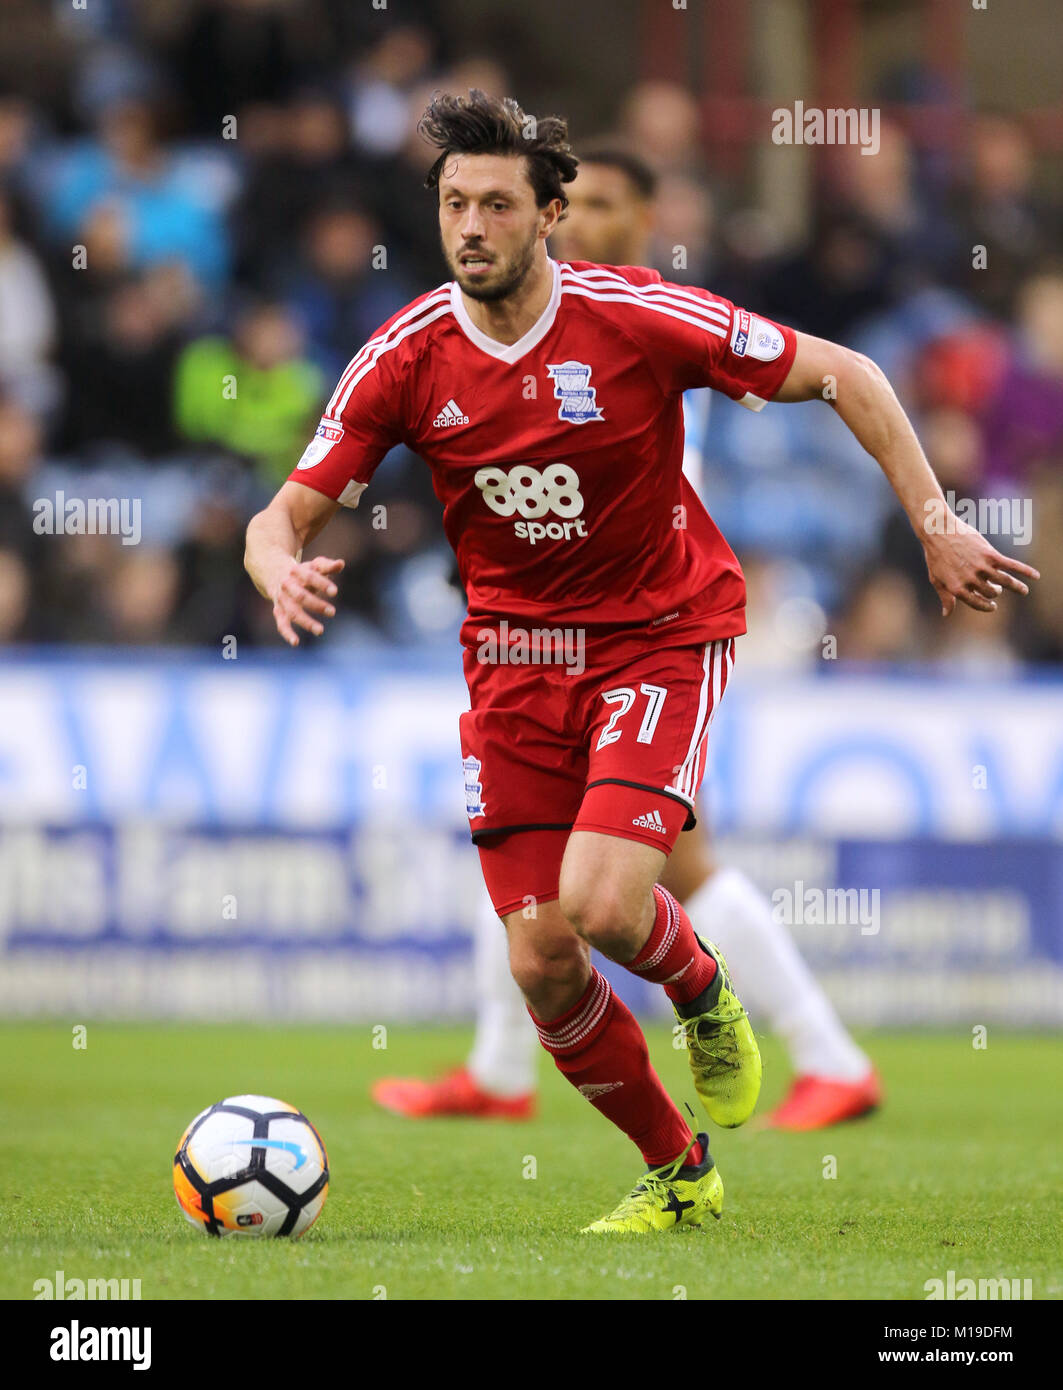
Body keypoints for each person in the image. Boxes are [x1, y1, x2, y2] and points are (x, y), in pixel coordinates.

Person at [244, 91, 1037, 1233]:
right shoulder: (405, 356)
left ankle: (704, 990)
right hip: (511, 667)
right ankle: (678, 1169)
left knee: (609, 905)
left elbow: (849, 373)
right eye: (454, 203)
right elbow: (281, 517)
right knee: (541, 964)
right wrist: (280, 571)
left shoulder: (637, 316)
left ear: (549, 213)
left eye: (496, 204)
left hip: (655, 640)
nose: (470, 225)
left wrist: (934, 521)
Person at [372, 146, 885, 1132]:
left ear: (644, 219)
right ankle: (502, 1067)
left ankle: (827, 1053)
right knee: (540, 867)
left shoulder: (639, 325)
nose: (585, 222)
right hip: (562, 645)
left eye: (607, 204)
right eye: (580, 204)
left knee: (662, 873)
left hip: (649, 637)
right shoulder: (540, 324)